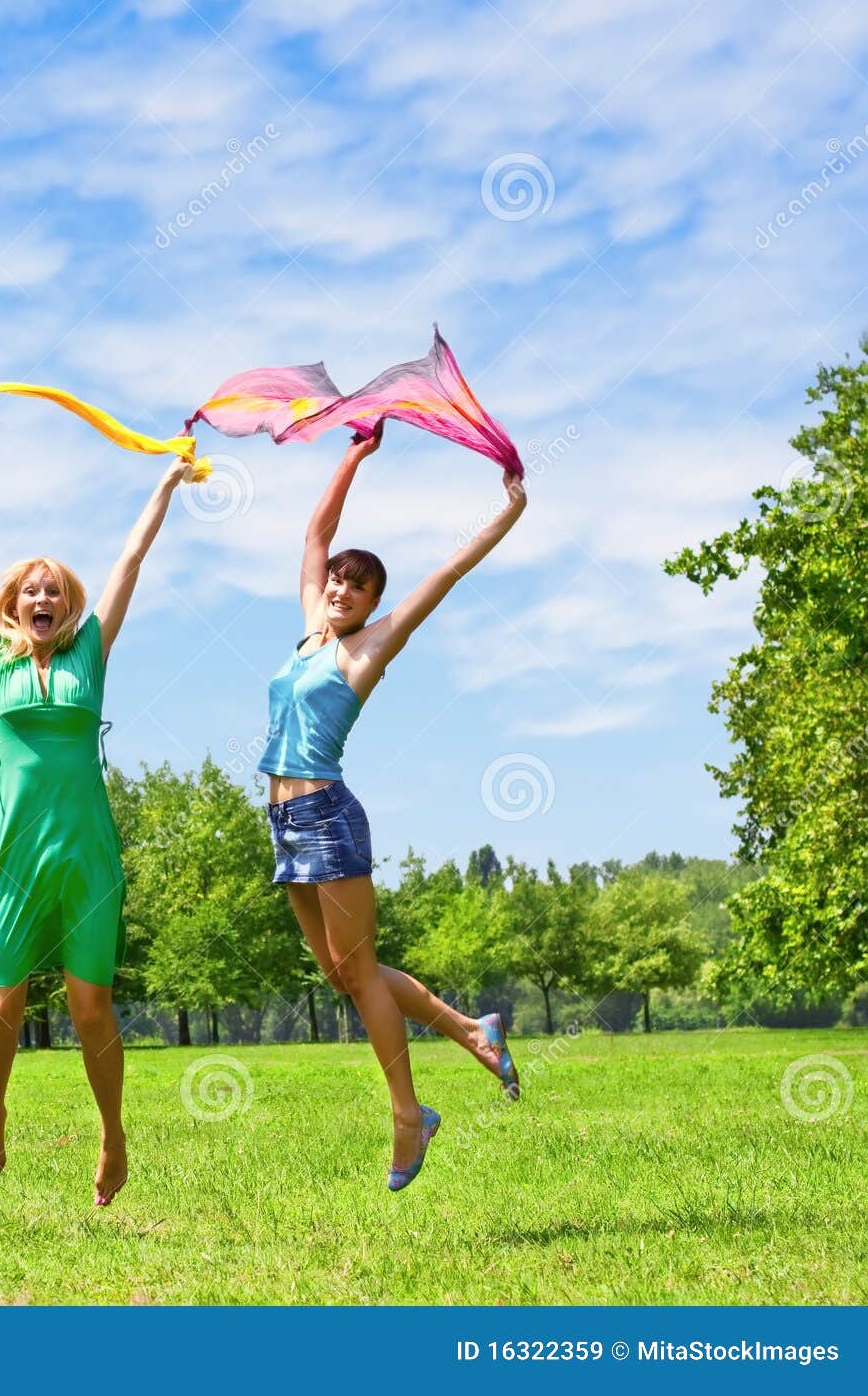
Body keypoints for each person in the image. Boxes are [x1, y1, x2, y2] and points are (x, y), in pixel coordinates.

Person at [0, 454, 193, 1206]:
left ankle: (113, 1133)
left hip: (85, 850)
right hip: (11, 854)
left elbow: (131, 557)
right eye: (31, 588)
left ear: (68, 607)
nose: (43, 595)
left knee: (92, 1005)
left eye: (54, 589)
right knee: (1, 1005)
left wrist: (165, 483)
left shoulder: (90, 652)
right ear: (12, 604)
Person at [261, 425, 526, 1191]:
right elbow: (315, 532)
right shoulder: (311, 631)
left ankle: (410, 1115)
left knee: (360, 974)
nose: (340, 588)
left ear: (374, 603)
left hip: (327, 818)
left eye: (358, 586)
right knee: (349, 974)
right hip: (283, 824)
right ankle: (475, 1031)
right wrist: (356, 454)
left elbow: (446, 572)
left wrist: (506, 513)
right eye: (338, 579)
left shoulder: (367, 648)